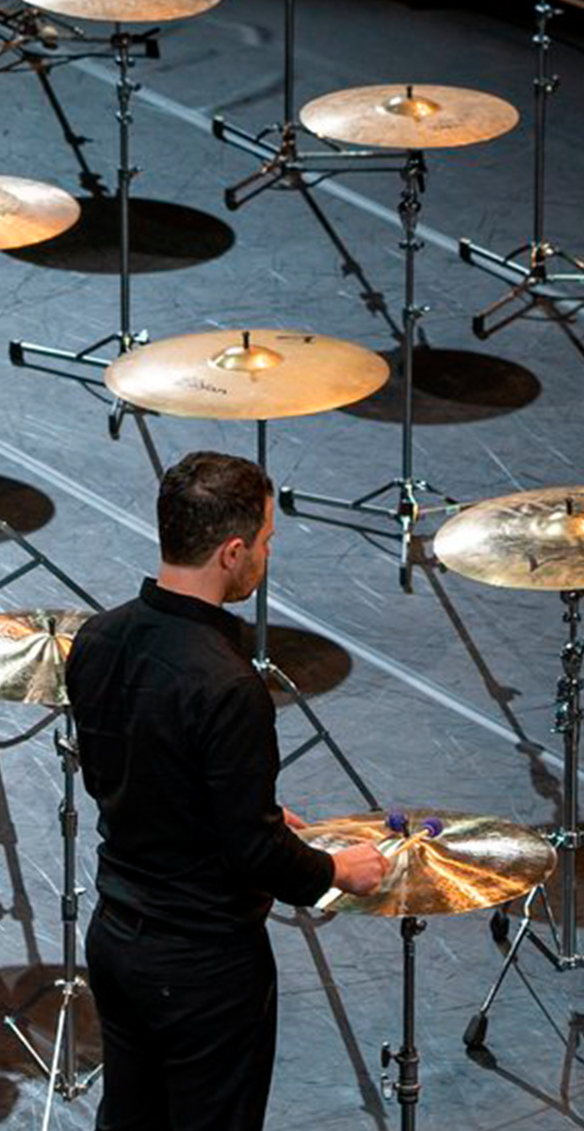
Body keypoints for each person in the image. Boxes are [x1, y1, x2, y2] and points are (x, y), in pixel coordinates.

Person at [67, 451, 387, 1128]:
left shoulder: (96, 639)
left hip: (117, 940)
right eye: (265, 543)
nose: (267, 557)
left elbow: (125, 776)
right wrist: (336, 869)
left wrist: (244, 809)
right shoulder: (228, 684)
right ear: (231, 551)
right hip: (203, 965)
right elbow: (255, 857)